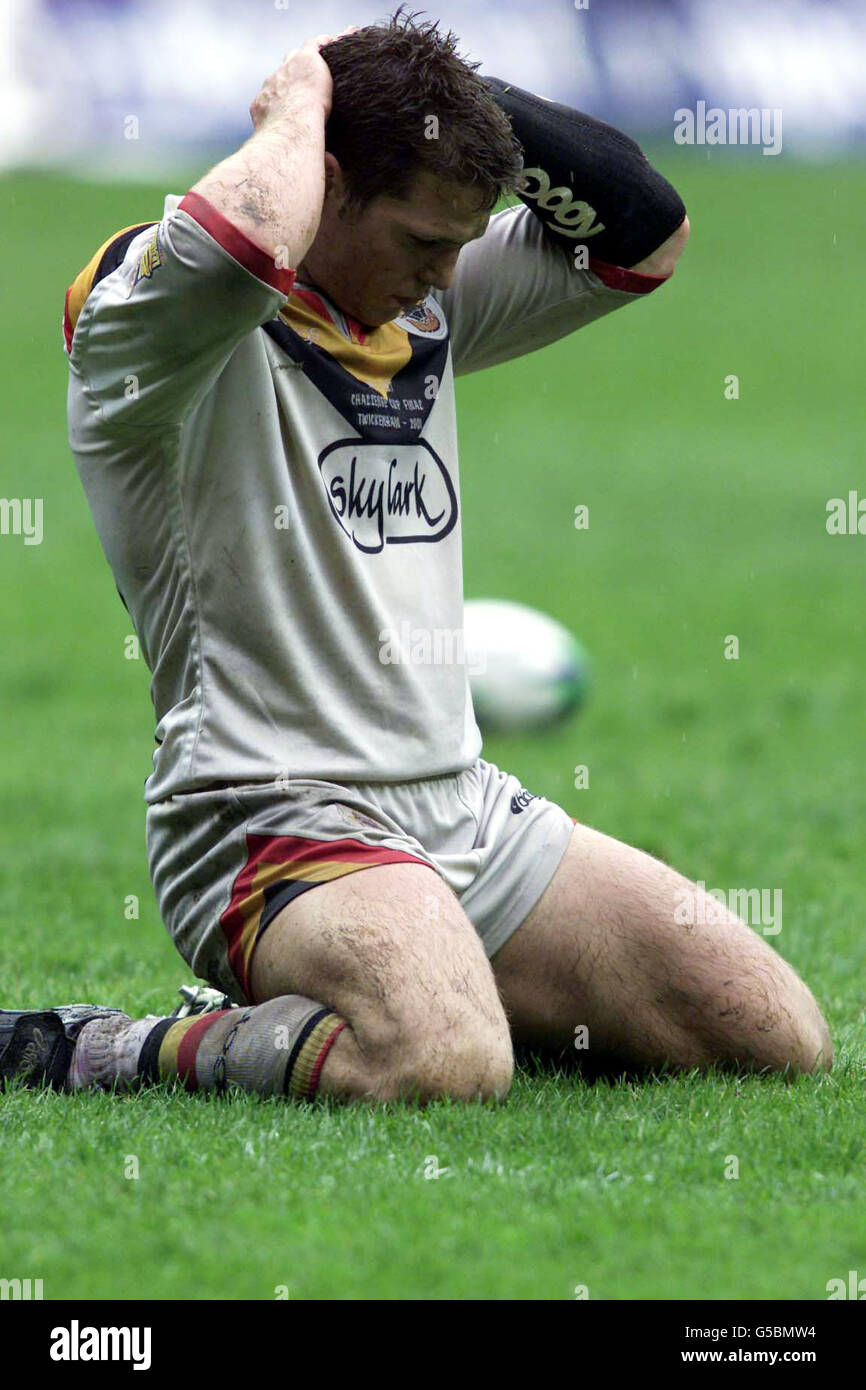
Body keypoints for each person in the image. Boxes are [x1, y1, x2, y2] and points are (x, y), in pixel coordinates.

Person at [1, 9, 831, 1103]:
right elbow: (246, 238)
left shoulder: (412, 303)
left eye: (460, 241)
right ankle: (101, 1048)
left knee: (770, 1035)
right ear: (330, 183)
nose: (447, 275)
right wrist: (303, 100)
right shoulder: (162, 316)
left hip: (463, 810)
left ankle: (412, 978)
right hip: (268, 818)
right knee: (443, 1062)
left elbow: (643, 234)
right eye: (423, 242)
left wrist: (453, 89)